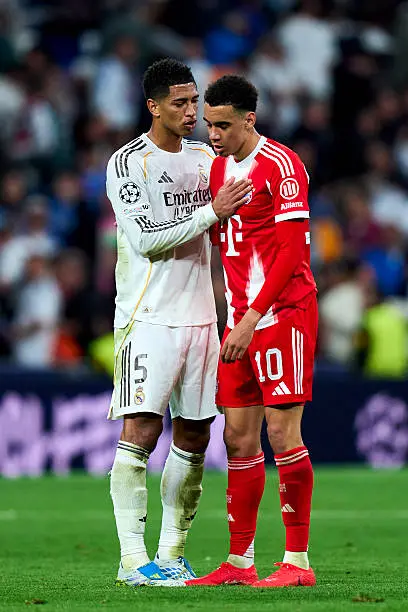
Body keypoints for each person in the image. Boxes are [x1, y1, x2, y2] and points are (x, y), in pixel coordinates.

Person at [106, 59, 252, 587]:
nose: (192, 112)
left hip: (201, 318)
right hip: (147, 316)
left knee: (194, 434)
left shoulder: (205, 157)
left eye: (194, 102)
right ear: (153, 106)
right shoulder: (128, 163)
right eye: (180, 103)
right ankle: (131, 560)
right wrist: (212, 212)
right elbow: (147, 239)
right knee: (142, 429)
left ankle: (171, 554)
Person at [186, 75, 318, 588]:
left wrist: (249, 318)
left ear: (249, 119)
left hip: (282, 315)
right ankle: (240, 562)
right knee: (238, 439)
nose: (213, 134)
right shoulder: (218, 168)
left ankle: (297, 562)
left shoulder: (282, 166)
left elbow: (292, 253)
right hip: (239, 320)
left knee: (283, 433)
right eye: (209, 124)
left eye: (222, 125)